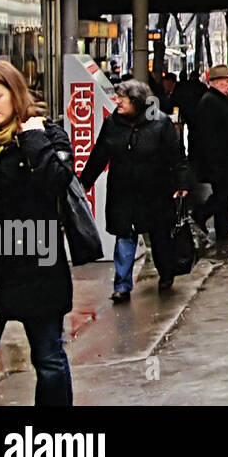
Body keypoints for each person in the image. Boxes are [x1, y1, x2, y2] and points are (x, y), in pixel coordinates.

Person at [0, 62, 75, 406]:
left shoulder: (46, 135)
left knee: (49, 360)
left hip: (38, 264)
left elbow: (56, 180)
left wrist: (32, 136)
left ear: (15, 93)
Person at [79, 80, 192, 299]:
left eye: (123, 97)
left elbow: (177, 157)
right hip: (123, 192)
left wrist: (182, 183)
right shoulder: (113, 123)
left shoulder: (160, 123)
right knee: (124, 236)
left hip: (155, 191)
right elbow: (100, 153)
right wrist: (86, 181)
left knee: (160, 236)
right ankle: (122, 286)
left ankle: (166, 273)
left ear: (137, 101)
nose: (118, 101)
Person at [190, 64, 228, 240]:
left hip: (227, 160)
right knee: (224, 194)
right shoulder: (210, 102)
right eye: (226, 82)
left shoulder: (219, 100)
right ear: (215, 82)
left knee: (226, 194)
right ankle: (201, 214)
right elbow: (208, 137)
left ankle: (224, 228)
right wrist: (215, 163)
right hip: (221, 161)